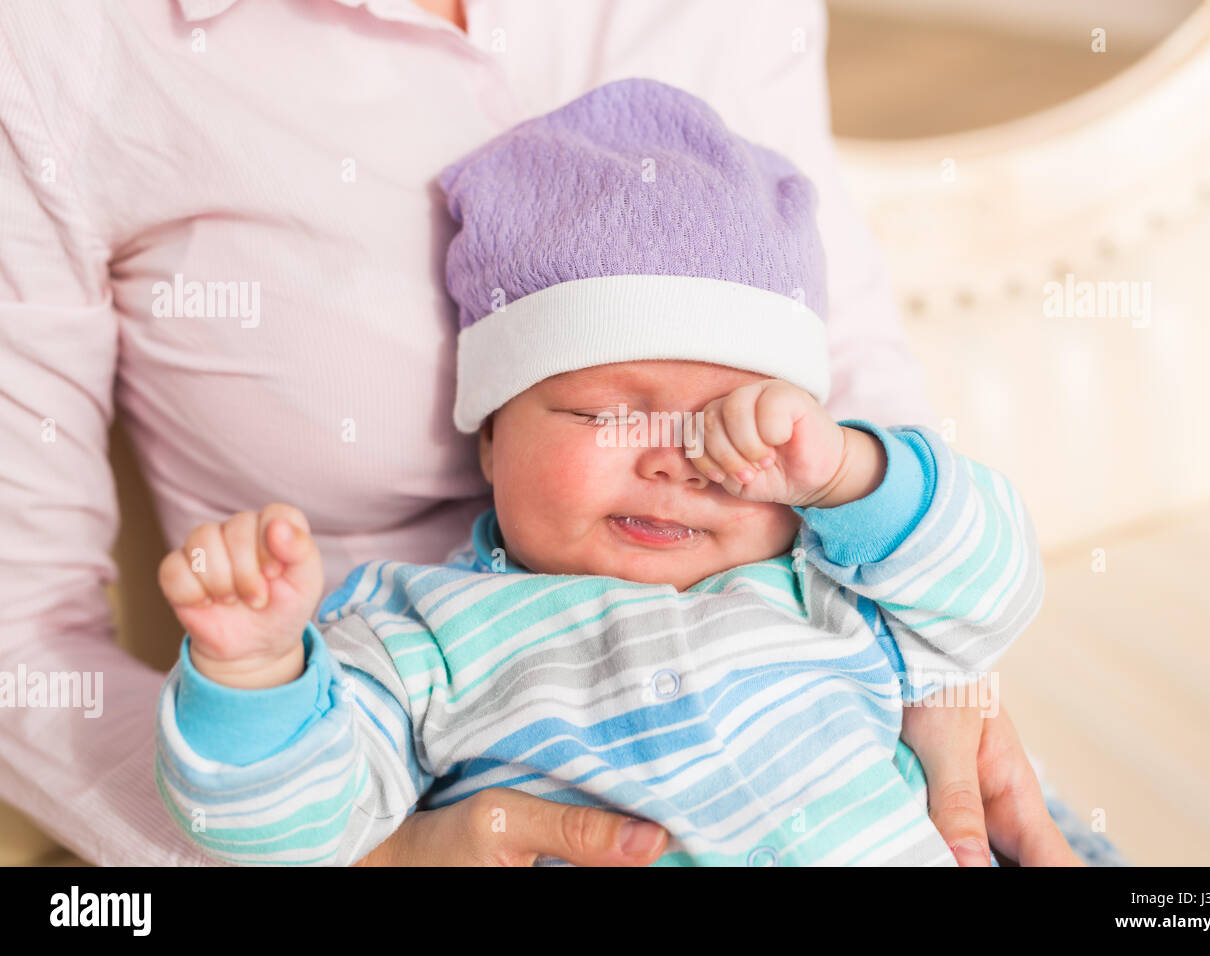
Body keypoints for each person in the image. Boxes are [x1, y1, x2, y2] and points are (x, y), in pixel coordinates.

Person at [0, 0, 1107, 866]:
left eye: (740, 424)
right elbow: (284, 816)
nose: (678, 456)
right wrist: (253, 673)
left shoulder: (823, 571)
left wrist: (847, 469)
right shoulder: (414, 636)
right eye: (601, 411)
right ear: (485, 435)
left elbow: (981, 570)